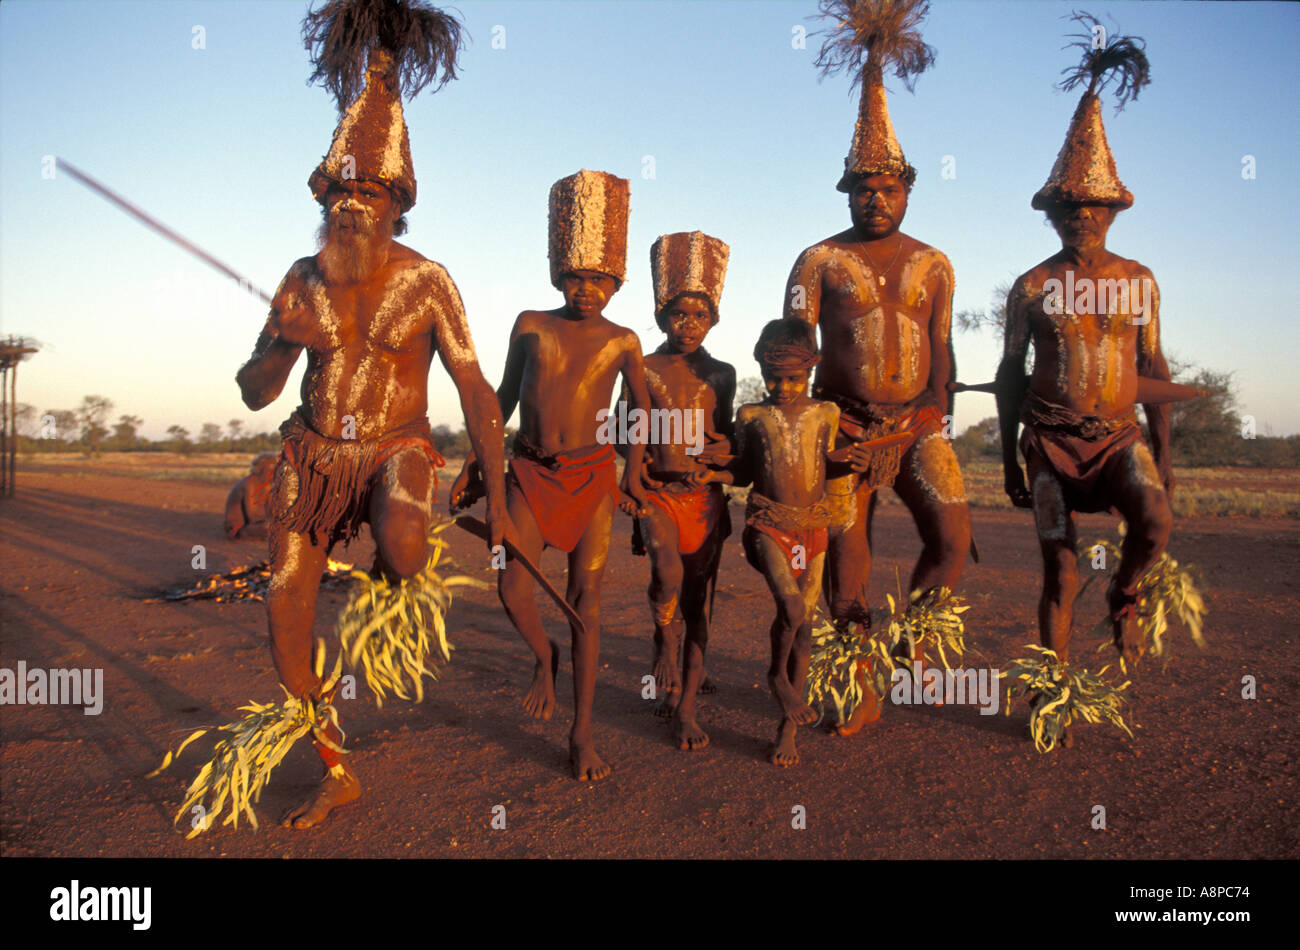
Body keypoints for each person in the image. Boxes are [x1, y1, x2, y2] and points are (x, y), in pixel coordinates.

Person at [235, 0, 510, 827]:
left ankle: (394, 581)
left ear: (398, 200)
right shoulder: (300, 276)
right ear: (325, 196)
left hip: (400, 449)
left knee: (400, 539)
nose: (353, 202)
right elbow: (255, 393)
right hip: (312, 457)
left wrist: (496, 496)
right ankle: (331, 759)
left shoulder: (428, 279)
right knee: (283, 600)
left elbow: (475, 389)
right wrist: (281, 345)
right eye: (341, 189)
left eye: (371, 190)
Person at [785, 0, 970, 735]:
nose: (875, 199)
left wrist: (935, 412)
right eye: (863, 188)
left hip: (919, 427)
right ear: (848, 192)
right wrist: (816, 431)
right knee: (846, 563)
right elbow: (791, 352)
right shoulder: (818, 260)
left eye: (887, 188)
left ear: (907, 190)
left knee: (952, 539)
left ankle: (910, 645)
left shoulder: (935, 264)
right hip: (846, 429)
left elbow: (945, 350)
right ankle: (857, 680)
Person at [451, 169, 649, 781]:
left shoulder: (624, 341)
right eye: (576, 276)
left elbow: (639, 410)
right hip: (529, 473)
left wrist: (634, 473)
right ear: (558, 274)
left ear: (615, 283)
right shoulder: (530, 323)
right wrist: (476, 466)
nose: (586, 289)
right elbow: (504, 398)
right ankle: (545, 656)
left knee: (587, 604)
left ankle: (582, 733)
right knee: (511, 584)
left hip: (592, 480)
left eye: (599, 279)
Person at [997, 21, 1170, 680]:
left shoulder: (1138, 281)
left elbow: (1152, 367)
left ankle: (1124, 595)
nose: (1082, 218)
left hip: (1122, 439)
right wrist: (1011, 463)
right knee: (1061, 568)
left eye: (1093, 207)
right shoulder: (1033, 285)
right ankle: (1055, 681)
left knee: (1154, 523)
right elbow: (1010, 371)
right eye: (1069, 208)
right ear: (1052, 214)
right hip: (1050, 445)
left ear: (1113, 212)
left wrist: (1166, 458)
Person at [622, 231, 735, 751]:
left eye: (699, 316)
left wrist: (722, 457)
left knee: (698, 603)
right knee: (666, 572)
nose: (687, 325)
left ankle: (685, 705)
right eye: (677, 314)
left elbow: (727, 437)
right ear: (661, 314)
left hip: (704, 500)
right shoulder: (641, 367)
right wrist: (633, 476)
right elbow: (623, 432)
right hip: (659, 495)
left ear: (713, 320)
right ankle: (663, 640)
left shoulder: (722, 373)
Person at [727, 320, 845, 767]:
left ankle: (787, 730)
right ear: (760, 368)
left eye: (794, 378)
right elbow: (741, 470)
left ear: (811, 371)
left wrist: (853, 462)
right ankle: (776, 675)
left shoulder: (826, 414)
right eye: (773, 377)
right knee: (792, 609)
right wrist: (712, 470)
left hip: (814, 527)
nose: (782, 386)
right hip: (768, 523)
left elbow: (828, 464)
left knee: (806, 628)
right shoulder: (751, 416)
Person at [223, 452, 277, 540]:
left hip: (256, 524)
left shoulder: (268, 485)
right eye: (271, 471)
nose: (274, 474)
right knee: (269, 527)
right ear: (259, 469)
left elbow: (271, 509)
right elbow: (253, 516)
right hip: (238, 529)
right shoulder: (250, 483)